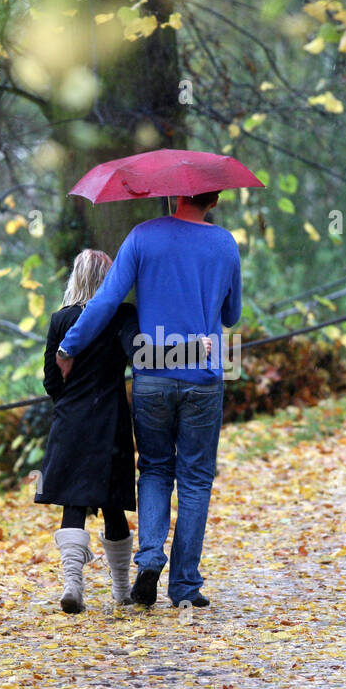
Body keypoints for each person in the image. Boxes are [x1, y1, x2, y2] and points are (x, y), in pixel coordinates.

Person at [56, 191, 241, 608]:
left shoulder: (141, 237)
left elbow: (105, 301)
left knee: (155, 469)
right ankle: (186, 587)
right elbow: (232, 315)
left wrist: (69, 346)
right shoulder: (225, 243)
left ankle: (149, 562)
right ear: (214, 197)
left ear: (175, 194)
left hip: (152, 377)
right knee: (195, 479)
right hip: (203, 378)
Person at [37, 249, 138, 613]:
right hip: (110, 419)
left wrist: (71, 400)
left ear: (76, 278)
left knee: (74, 502)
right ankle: (123, 590)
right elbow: (137, 356)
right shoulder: (121, 315)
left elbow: (51, 380)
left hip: (72, 420)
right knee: (113, 507)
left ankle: (72, 585)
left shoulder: (60, 321)